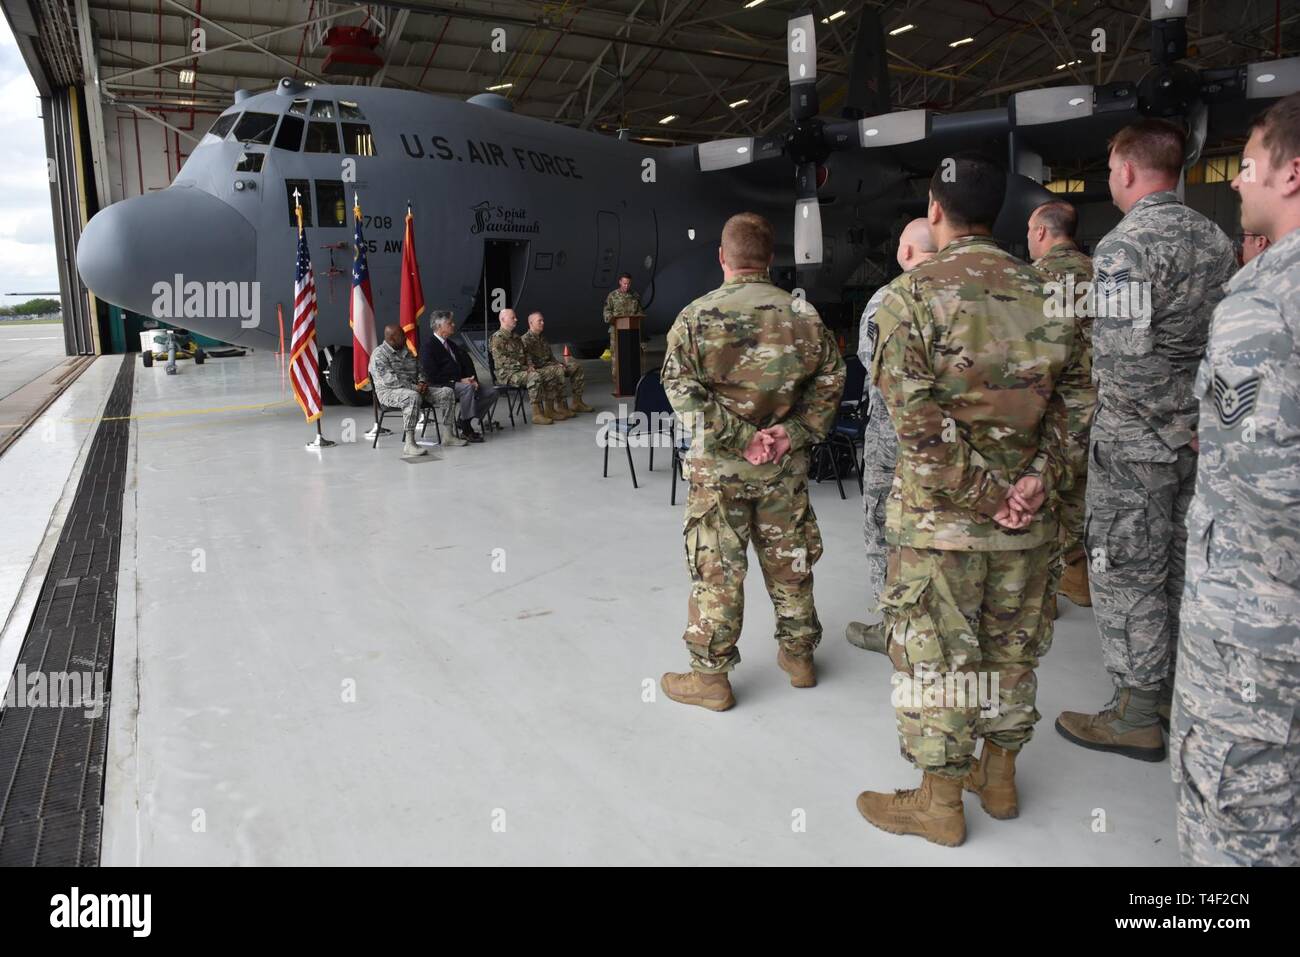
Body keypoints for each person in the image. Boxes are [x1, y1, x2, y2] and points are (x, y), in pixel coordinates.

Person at [854, 153, 1092, 847]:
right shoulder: (1050, 293)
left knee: (937, 658)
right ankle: (1001, 777)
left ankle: (938, 802)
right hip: (1029, 523)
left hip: (942, 528)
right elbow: (1077, 403)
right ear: (1007, 217)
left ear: (935, 210)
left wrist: (987, 494)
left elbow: (917, 427)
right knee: (1013, 650)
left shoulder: (910, 297)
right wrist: (1035, 481)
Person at [1056, 119, 1237, 762]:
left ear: (1128, 171)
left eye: (1110, 169)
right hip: (1197, 439)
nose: (1110, 180)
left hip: (1137, 444)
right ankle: (1170, 697)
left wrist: (1158, 427)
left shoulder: (1123, 248)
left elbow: (1123, 359)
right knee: (1178, 568)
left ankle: (1135, 713)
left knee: (1126, 572)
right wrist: (1193, 424)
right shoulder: (1216, 239)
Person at [1173, 93, 1300, 866]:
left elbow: (1260, 482)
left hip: (1256, 626)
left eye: (1248, 165)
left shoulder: (1264, 302)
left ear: (1293, 174)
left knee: (1240, 828)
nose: (1237, 183)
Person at [659, 212, 844, 712]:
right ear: (770, 260)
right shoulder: (804, 316)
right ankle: (800, 657)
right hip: (784, 470)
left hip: (720, 475)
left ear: (723, 258)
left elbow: (680, 388)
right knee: (792, 562)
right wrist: (794, 430)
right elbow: (832, 377)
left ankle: (711, 678)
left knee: (718, 569)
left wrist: (740, 439)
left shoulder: (696, 318)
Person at [845, 217, 936, 655]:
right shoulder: (965, 294)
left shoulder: (888, 299)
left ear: (905, 252)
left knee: (883, 529)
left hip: (892, 442)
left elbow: (873, 365)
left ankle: (894, 628)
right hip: (953, 446)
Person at [1027, 199, 1097, 610]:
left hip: (1055, 408)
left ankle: (1046, 594)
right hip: (1101, 405)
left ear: (1041, 233)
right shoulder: (1103, 274)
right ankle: (1080, 577)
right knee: (1083, 495)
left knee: (1042, 494)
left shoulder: (1036, 279)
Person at [421, 311, 496, 443]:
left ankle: (463, 420)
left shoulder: (451, 344)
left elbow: (462, 366)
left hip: (458, 383)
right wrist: (460, 381)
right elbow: (431, 375)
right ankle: (467, 429)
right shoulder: (429, 346)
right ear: (439, 327)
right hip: (440, 385)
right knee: (467, 389)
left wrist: (471, 379)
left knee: (491, 392)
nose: (453, 325)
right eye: (449, 323)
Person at [369, 323, 439, 457]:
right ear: (392, 338)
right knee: (412, 397)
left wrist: (422, 382)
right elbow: (390, 381)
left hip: (415, 390)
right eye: (402, 336)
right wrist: (415, 388)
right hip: (388, 393)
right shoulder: (379, 355)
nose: (406, 338)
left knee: (446, 392)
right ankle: (410, 443)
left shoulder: (406, 350)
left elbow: (420, 369)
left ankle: (449, 435)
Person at [489, 308, 568, 425]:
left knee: (551, 373)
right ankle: (537, 414)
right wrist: (526, 368)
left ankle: (549, 409)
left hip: (521, 371)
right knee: (534, 376)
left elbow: (526, 355)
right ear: (503, 319)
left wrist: (530, 365)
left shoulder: (516, 338)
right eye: (512, 318)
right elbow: (503, 362)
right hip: (507, 374)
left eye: (515, 317)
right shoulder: (497, 338)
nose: (516, 319)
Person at [521, 311, 594, 416]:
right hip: (539, 369)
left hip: (551, 366)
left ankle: (577, 402)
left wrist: (558, 363)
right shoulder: (525, 340)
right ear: (531, 323)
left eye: (543, 320)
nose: (542, 323)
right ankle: (561, 406)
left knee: (575, 366)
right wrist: (554, 366)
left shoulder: (542, 338)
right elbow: (530, 363)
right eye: (539, 321)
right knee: (558, 371)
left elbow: (551, 357)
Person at [602, 272, 645, 360]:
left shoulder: (635, 296)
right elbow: (606, 311)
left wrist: (638, 317)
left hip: (632, 331)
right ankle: (616, 374)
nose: (626, 286)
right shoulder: (612, 296)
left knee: (632, 357)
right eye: (624, 283)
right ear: (620, 282)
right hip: (616, 331)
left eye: (628, 283)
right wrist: (612, 319)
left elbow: (640, 312)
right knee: (617, 358)